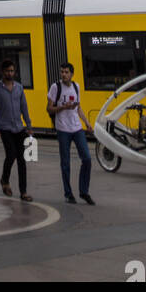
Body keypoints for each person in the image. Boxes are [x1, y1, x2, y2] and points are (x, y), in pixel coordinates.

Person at [47, 62, 94, 205]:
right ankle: (68, 194)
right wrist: (63, 107)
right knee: (65, 163)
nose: (64, 74)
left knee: (87, 159)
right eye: (62, 72)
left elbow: (78, 108)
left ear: (72, 74)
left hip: (77, 128)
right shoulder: (55, 87)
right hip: (63, 130)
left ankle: (84, 191)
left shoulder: (76, 86)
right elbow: (49, 109)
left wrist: (87, 123)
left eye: (66, 72)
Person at [0, 58, 33, 202]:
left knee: (22, 160)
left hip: (19, 127)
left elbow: (24, 107)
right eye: (7, 71)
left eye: (12, 71)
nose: (10, 73)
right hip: (5, 128)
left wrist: (29, 125)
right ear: (2, 72)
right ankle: (5, 179)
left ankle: (23, 192)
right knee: (11, 154)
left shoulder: (19, 88)